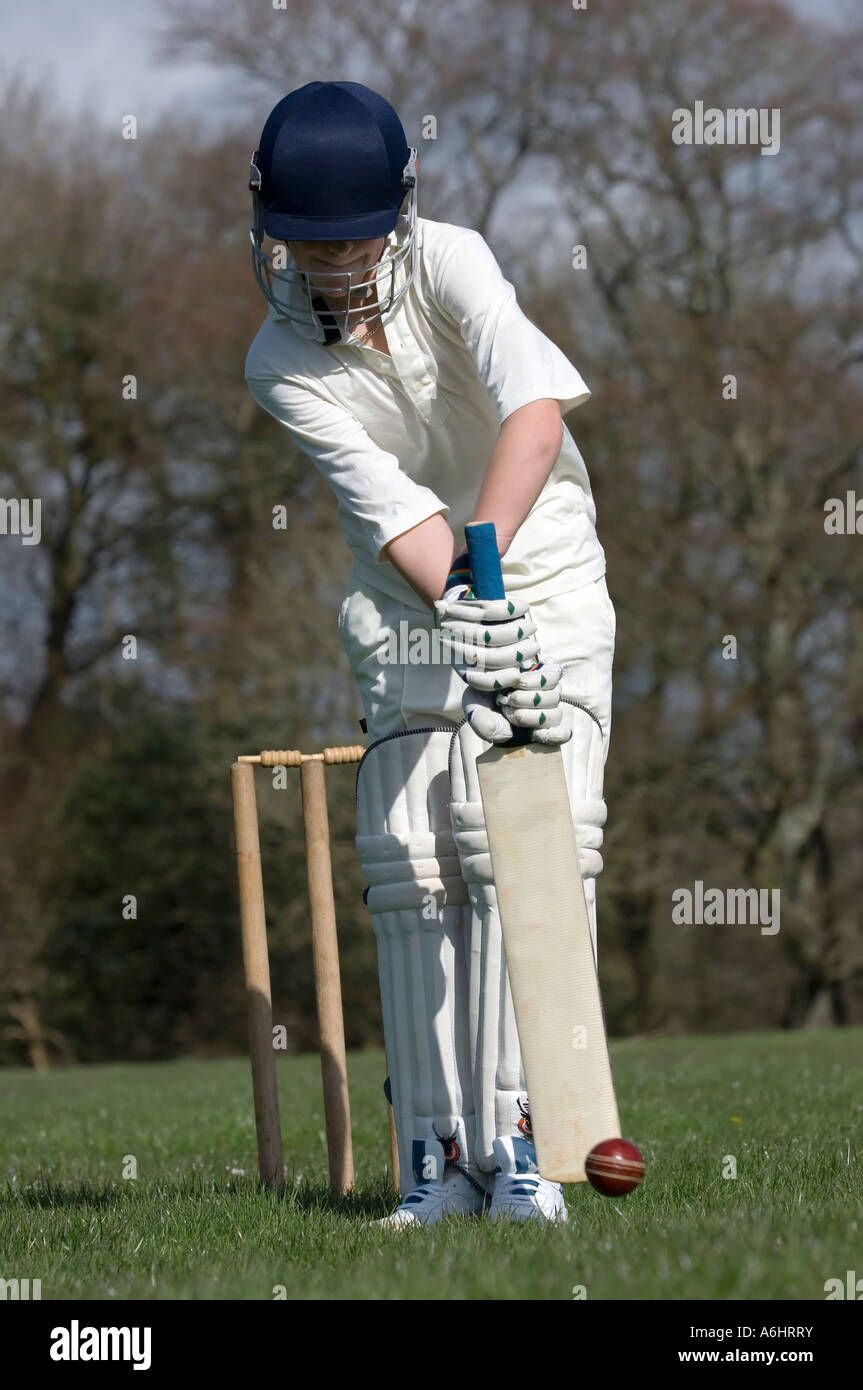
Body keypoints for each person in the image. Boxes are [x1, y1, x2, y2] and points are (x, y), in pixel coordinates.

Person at [245, 81, 615, 1225]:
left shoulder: (454, 260)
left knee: (523, 835)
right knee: (409, 853)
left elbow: (533, 415)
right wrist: (461, 596)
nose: (336, 265)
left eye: (355, 238)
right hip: (407, 593)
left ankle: (525, 1147)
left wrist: (492, 582)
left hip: (541, 571)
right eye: (312, 245)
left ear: (398, 214)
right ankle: (435, 1160)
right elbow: (394, 513)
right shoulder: (277, 361)